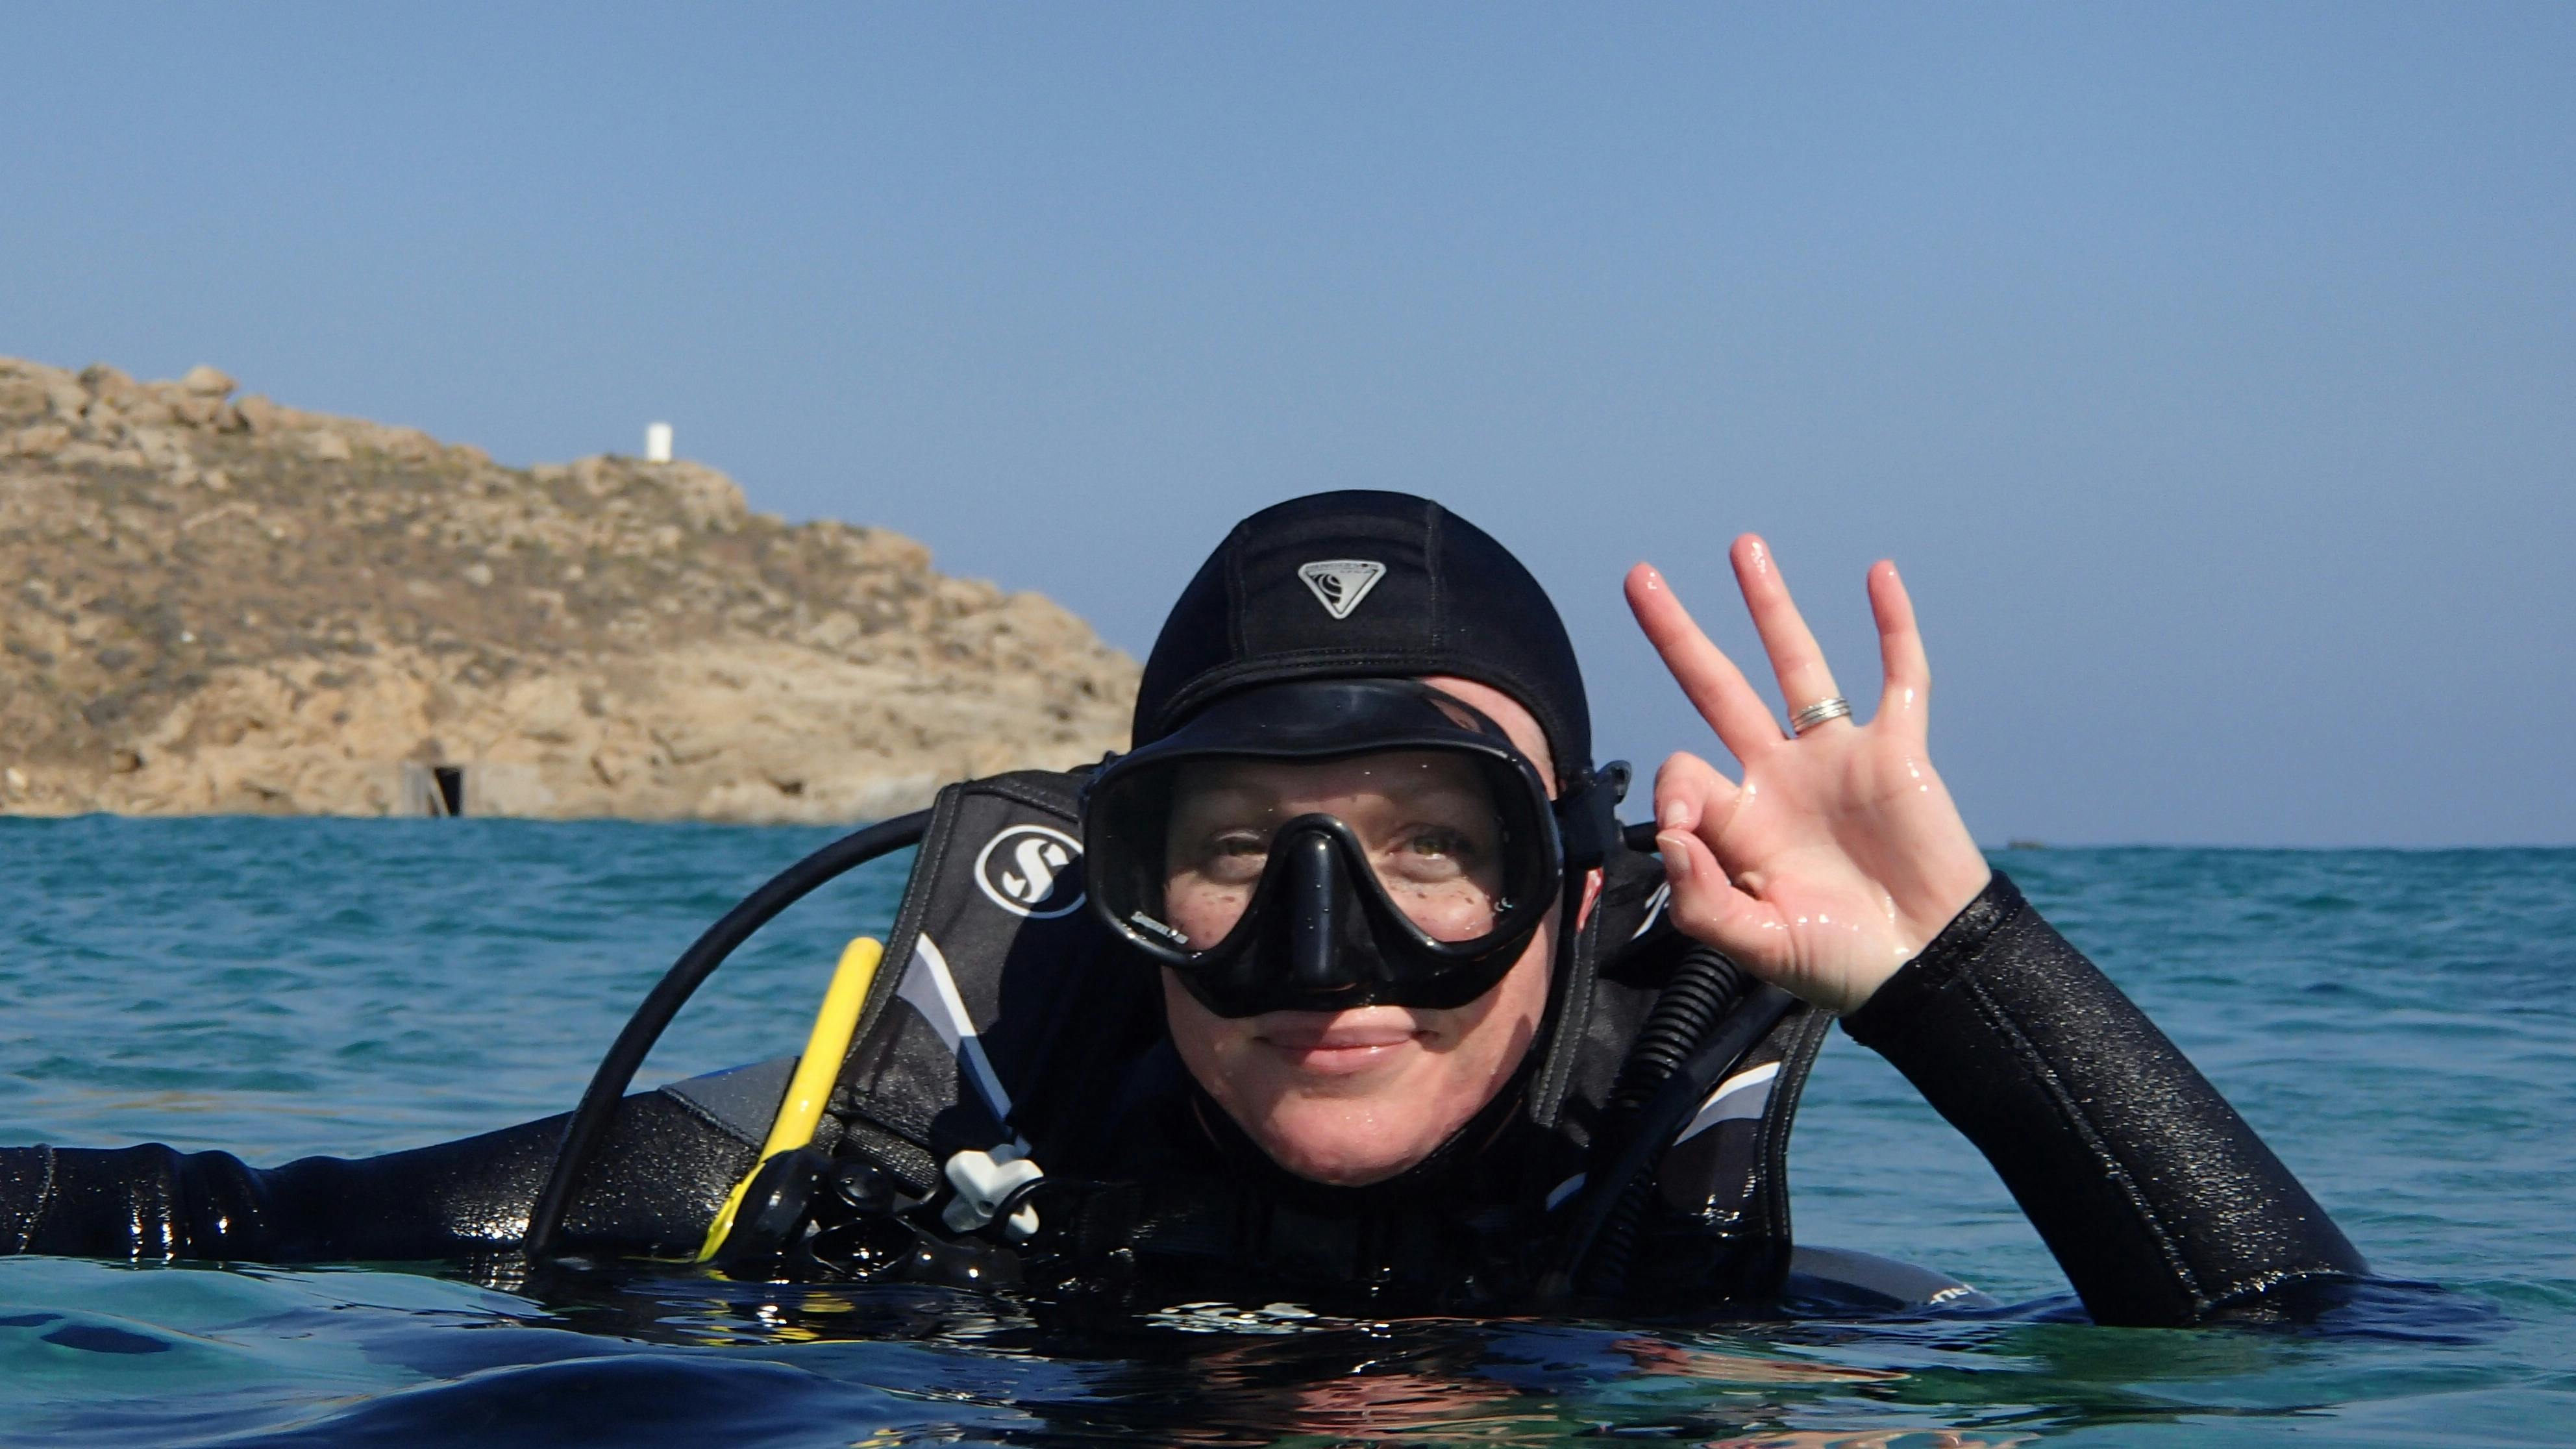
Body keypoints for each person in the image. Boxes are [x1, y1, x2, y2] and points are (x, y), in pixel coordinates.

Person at [0, 491, 2366, 1326]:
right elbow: (208, 1230)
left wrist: (1969, 977)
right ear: (1115, 880)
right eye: (1239, 854)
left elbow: (2295, 1362)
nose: (1326, 955)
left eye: (1431, 849)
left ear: (1579, 888)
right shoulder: (838, 1199)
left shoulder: (1705, 1300)